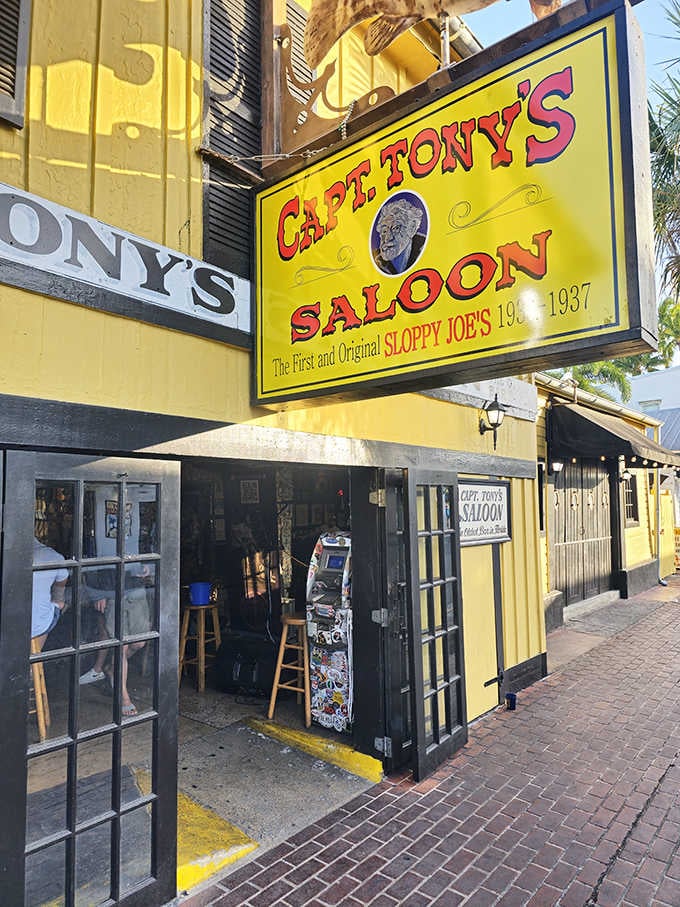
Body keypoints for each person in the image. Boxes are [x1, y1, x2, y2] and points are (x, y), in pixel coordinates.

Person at [79, 566, 150, 717]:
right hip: (111, 592)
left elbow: (146, 548)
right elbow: (90, 560)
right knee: (120, 646)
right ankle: (124, 698)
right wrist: (97, 594)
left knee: (139, 643)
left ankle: (112, 669)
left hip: (137, 590)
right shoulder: (101, 540)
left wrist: (147, 565)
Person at [372, 197, 426, 275]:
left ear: (412, 228)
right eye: (384, 231)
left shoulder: (426, 249)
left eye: (396, 228)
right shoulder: (378, 262)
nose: (387, 238)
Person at [32, 537, 69, 648]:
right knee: (33, 657)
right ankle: (34, 660)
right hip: (39, 624)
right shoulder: (53, 556)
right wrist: (58, 601)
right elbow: (62, 580)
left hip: (9, 623)